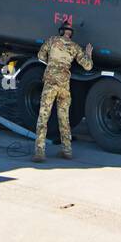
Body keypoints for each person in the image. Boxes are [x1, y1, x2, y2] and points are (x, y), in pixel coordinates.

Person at [33, 22, 93, 162]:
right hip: (64, 86)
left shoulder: (52, 40)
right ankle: (67, 150)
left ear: (61, 31)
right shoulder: (75, 47)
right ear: (71, 33)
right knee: (64, 118)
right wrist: (89, 54)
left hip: (50, 84)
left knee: (43, 117)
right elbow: (88, 66)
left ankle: (40, 152)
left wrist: (52, 64)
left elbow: (40, 56)